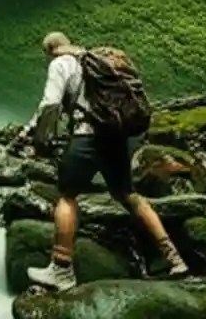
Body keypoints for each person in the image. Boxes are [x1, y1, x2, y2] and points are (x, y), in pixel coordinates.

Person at [18, 31, 189, 291]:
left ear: (50, 49)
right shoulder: (96, 61)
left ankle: (61, 269)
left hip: (88, 137)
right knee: (128, 195)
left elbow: (50, 103)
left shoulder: (60, 64)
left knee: (66, 196)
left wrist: (35, 136)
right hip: (116, 137)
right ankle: (174, 259)